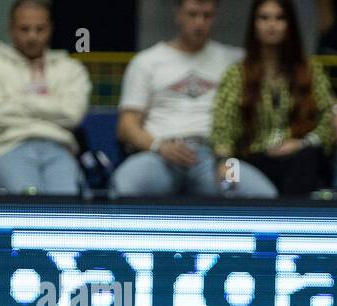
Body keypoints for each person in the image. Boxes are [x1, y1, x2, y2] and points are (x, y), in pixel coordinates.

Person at [112, 0, 276, 199]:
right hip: (159, 154)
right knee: (123, 185)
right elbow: (126, 126)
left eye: (207, 15)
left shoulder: (233, 59)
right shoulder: (146, 61)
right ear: (178, 15)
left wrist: (225, 155)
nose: (199, 22)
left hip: (217, 158)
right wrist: (159, 146)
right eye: (192, 14)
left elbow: (274, 66)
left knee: (261, 194)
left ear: (214, 17)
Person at [213, 0, 337, 197]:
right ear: (254, 24)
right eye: (264, 18)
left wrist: (302, 143)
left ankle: (294, 224)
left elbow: (328, 122)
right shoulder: (236, 74)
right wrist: (225, 164)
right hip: (252, 160)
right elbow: (223, 129)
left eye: (279, 18)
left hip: (299, 156)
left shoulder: (310, 71)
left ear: (290, 25)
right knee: (232, 177)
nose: (271, 24)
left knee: (306, 159)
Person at [0, 0, 90, 195]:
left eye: (39, 29)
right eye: (24, 29)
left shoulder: (71, 69)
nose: (32, 36)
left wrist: (16, 101)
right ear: (11, 29)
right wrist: (51, 105)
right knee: (29, 203)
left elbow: (73, 114)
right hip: (6, 148)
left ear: (50, 29)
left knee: (66, 207)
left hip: (59, 149)